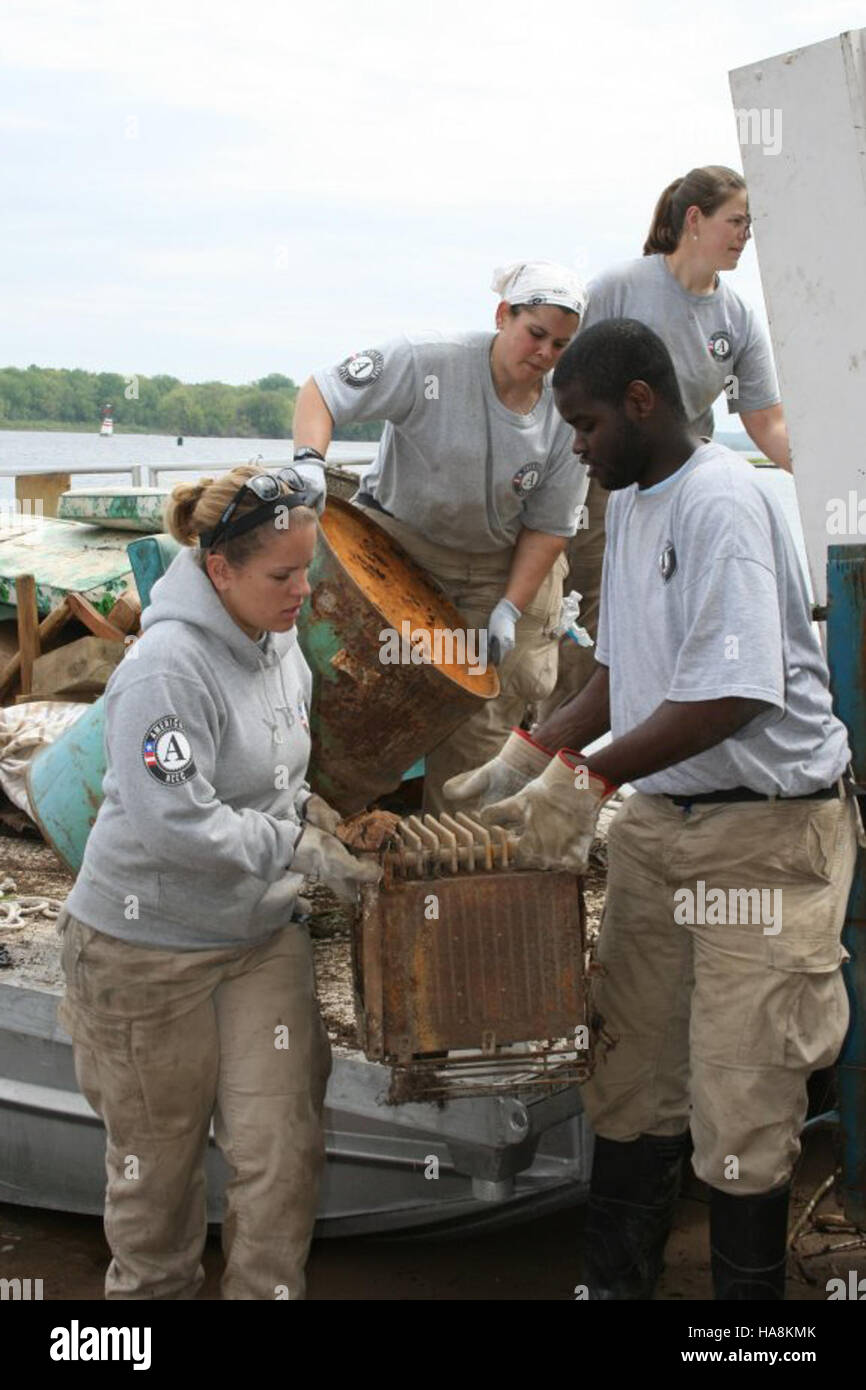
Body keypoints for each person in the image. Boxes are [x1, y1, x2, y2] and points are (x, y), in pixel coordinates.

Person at [445, 319, 857, 1301]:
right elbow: (628, 676)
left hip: (762, 839)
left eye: (583, 423)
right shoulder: (627, 501)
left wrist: (584, 782)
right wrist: (533, 748)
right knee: (627, 1077)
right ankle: (614, 1285)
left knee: (741, 1099)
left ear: (640, 401)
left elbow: (733, 693)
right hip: (657, 833)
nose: (573, 446)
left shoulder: (724, 503)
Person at [56, 464, 380, 1301]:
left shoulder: (281, 650)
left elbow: (274, 782)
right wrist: (299, 849)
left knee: (282, 1151)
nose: (302, 591)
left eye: (308, 570)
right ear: (219, 569)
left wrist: (323, 824)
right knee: (155, 1177)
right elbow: (178, 823)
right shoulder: (167, 668)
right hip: (143, 950)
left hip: (257, 940)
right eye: (282, 575)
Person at [291, 261, 588, 814]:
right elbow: (325, 392)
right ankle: (325, 815)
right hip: (403, 540)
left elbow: (550, 525)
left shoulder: (569, 409)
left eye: (562, 345)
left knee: (486, 712)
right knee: (364, 679)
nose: (546, 354)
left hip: (506, 559)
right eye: (536, 334)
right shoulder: (428, 359)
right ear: (503, 316)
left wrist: (508, 606)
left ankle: (449, 851)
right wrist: (309, 462)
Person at [542, 165, 791, 720]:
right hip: (602, 480)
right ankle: (557, 757)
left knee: (675, 613)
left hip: (688, 491)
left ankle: (651, 746)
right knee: (594, 618)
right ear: (694, 220)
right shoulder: (619, 289)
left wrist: (828, 478)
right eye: (736, 221)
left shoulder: (737, 316)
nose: (745, 235)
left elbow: (765, 421)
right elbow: (554, 386)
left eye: (750, 225)